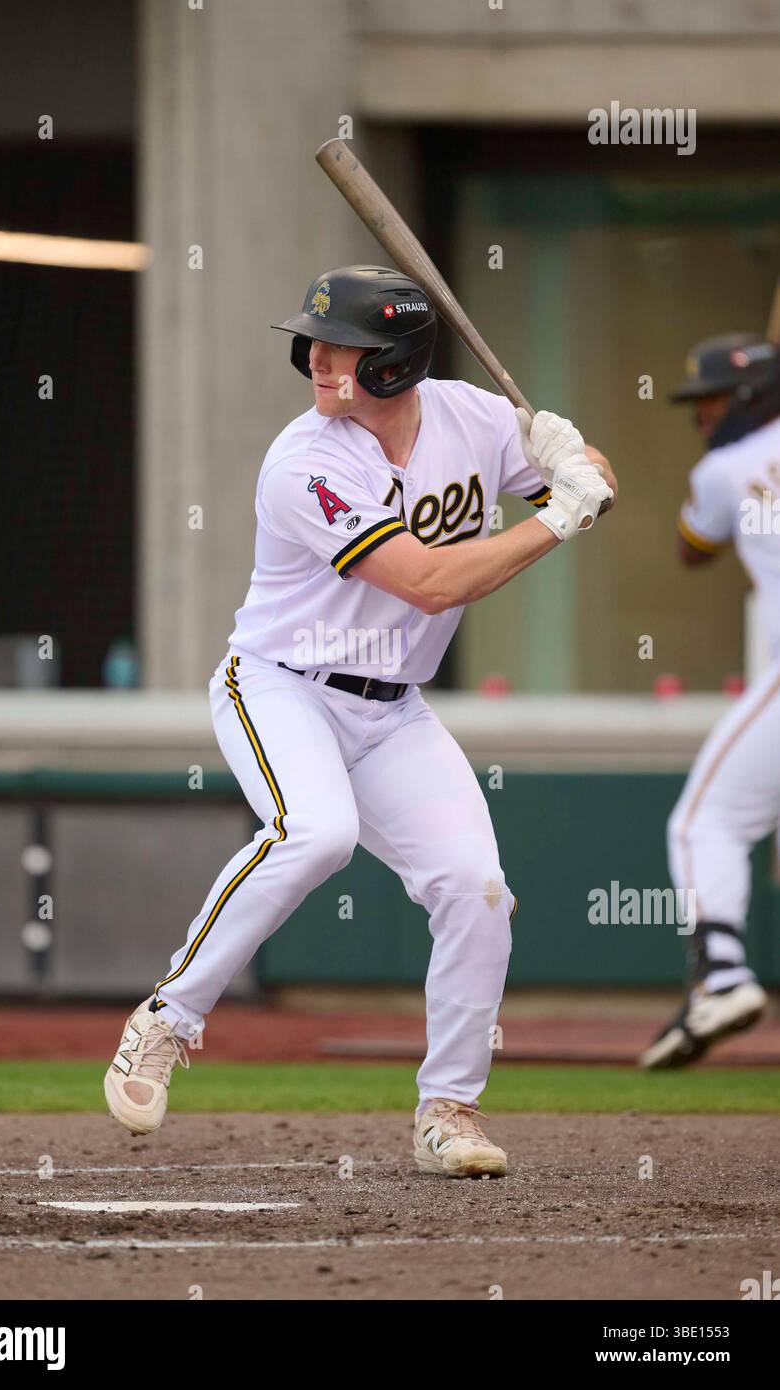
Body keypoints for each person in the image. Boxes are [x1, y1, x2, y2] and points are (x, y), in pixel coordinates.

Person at [105, 264, 615, 1176]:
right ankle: (166, 1018)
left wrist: (571, 466)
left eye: (347, 346)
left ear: (397, 364)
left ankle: (449, 1109)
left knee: (477, 888)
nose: (321, 359)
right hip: (281, 684)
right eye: (318, 341)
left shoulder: (476, 418)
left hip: (395, 709)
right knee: (318, 834)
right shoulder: (305, 460)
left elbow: (582, 490)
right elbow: (429, 583)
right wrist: (560, 517)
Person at [641, 334, 780, 1069]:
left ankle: (722, 973)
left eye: (714, 400)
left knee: (705, 821)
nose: (703, 417)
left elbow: (692, 548)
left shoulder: (724, 469)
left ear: (754, 394)